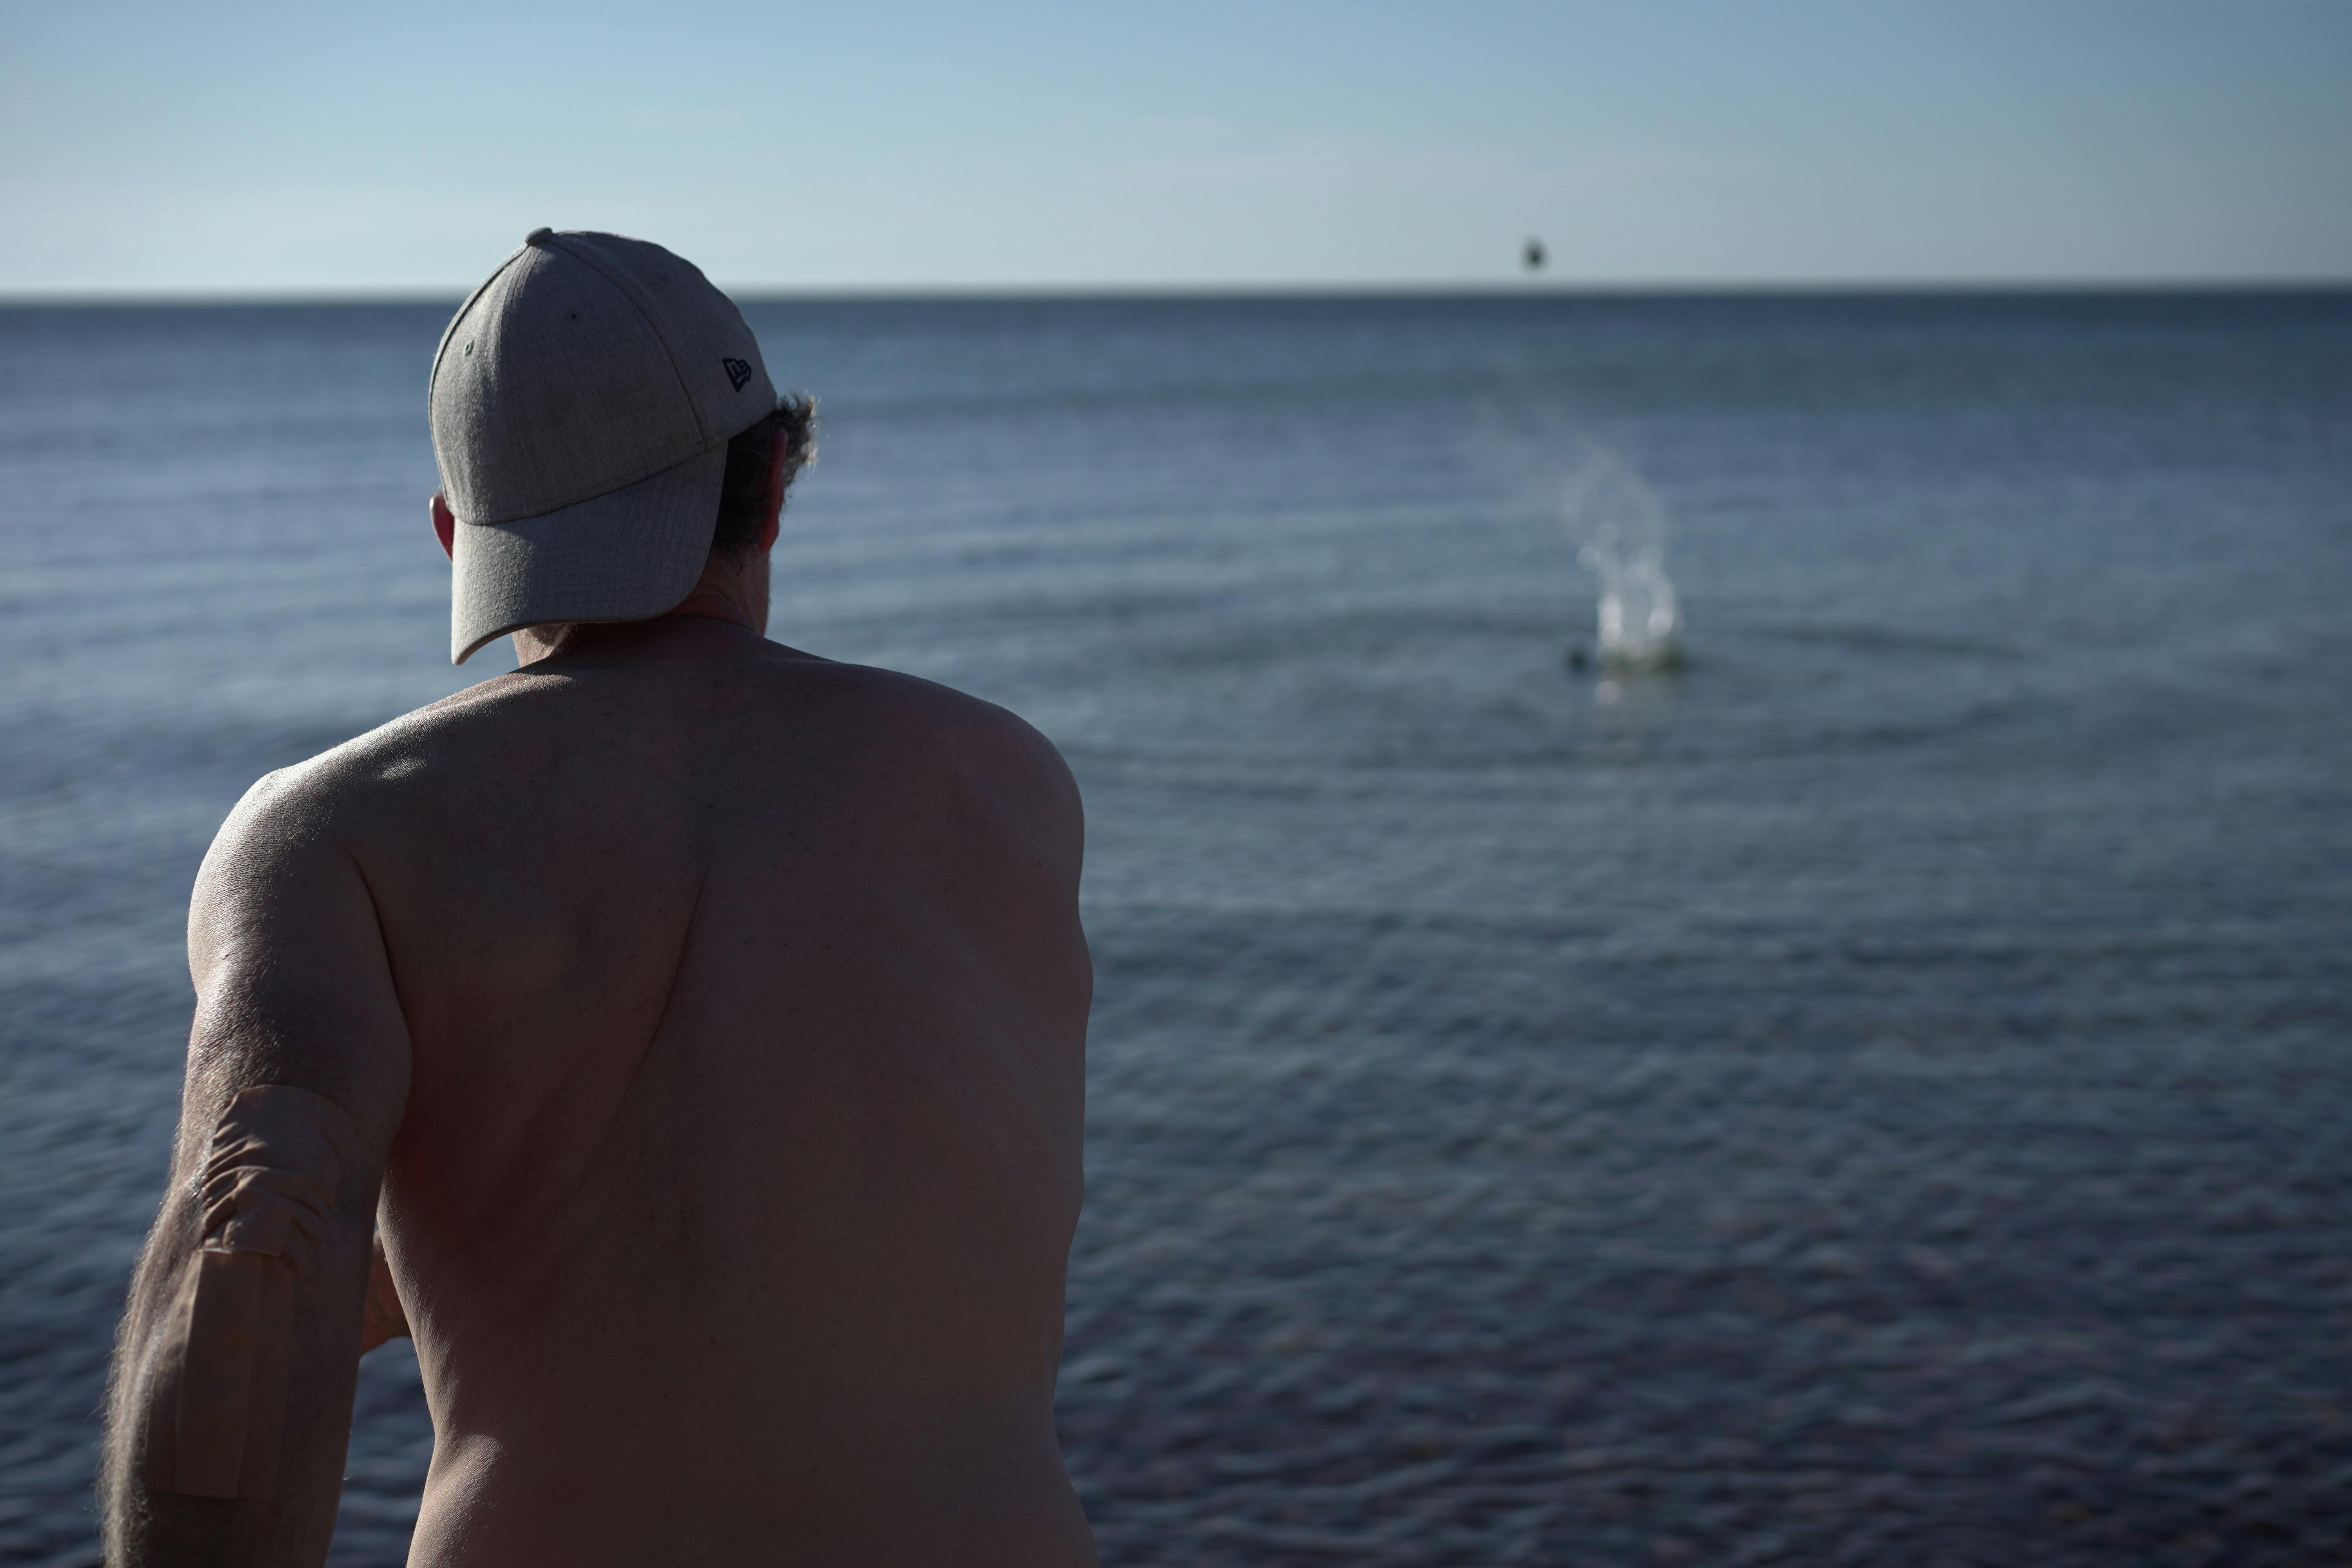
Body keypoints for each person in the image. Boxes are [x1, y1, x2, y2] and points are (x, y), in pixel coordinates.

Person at [100, 229, 1096, 1567]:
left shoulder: (336, 836)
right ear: (773, 485)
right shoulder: (1005, 782)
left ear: (457, 536)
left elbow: (258, 1258)